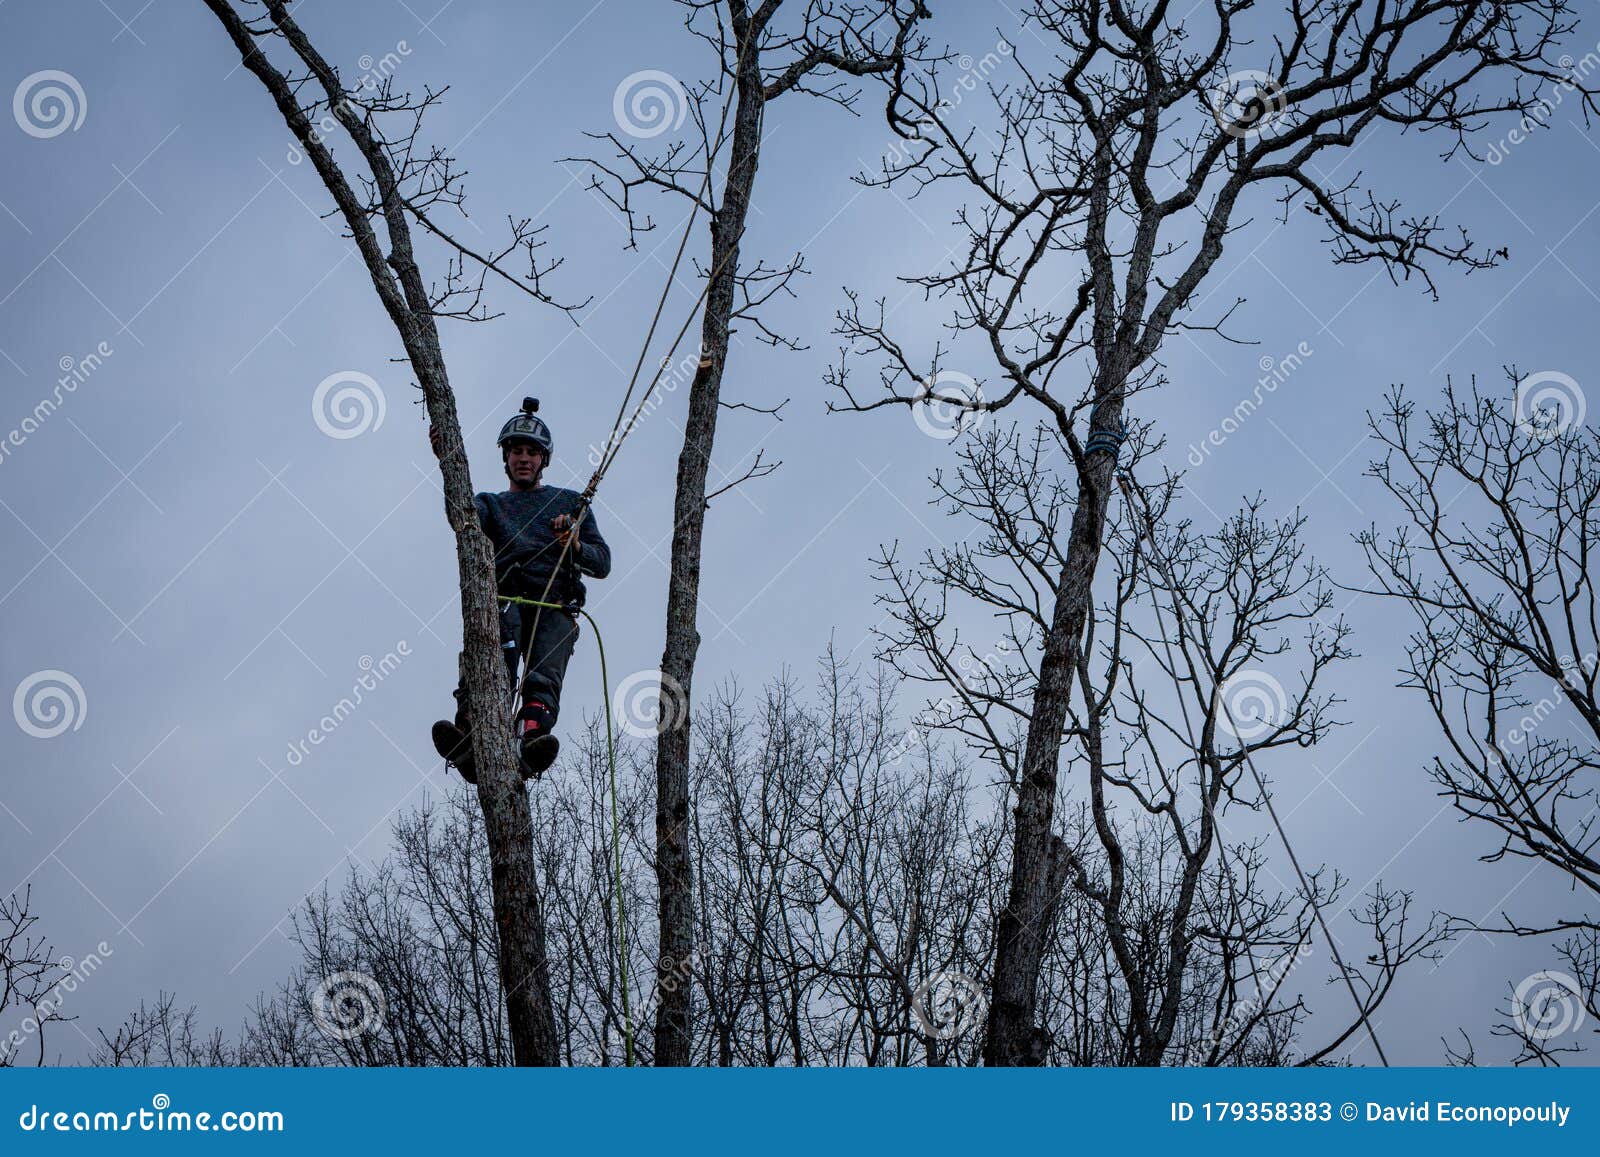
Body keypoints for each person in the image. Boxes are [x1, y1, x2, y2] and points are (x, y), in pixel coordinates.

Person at [429, 398, 612, 783]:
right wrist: (447, 463)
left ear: (543, 460)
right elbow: (460, 517)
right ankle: (469, 731)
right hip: (505, 598)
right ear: (506, 458)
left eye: (532, 452)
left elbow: (602, 562)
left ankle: (532, 737)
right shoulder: (490, 505)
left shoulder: (569, 503)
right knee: (493, 658)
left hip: (553, 600)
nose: (524, 459)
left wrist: (573, 544)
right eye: (516, 452)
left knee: (545, 664)